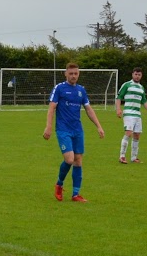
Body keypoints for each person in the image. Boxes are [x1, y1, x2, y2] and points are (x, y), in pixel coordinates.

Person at [43, 62, 106, 201]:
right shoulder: (59, 88)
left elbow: (88, 109)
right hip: (63, 129)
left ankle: (75, 194)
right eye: (70, 73)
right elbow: (51, 108)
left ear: (79, 74)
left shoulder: (81, 90)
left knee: (78, 161)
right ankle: (59, 184)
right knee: (70, 159)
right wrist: (48, 127)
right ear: (66, 74)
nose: (73, 76)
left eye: (75, 73)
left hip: (77, 130)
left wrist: (98, 126)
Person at [117, 67, 147, 163]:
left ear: (141, 76)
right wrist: (118, 109)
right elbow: (119, 97)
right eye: (136, 74)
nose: (137, 76)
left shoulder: (141, 87)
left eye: (139, 75)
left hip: (137, 114)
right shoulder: (127, 85)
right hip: (128, 113)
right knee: (128, 133)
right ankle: (122, 156)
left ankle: (134, 157)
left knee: (137, 135)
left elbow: (144, 101)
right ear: (132, 74)